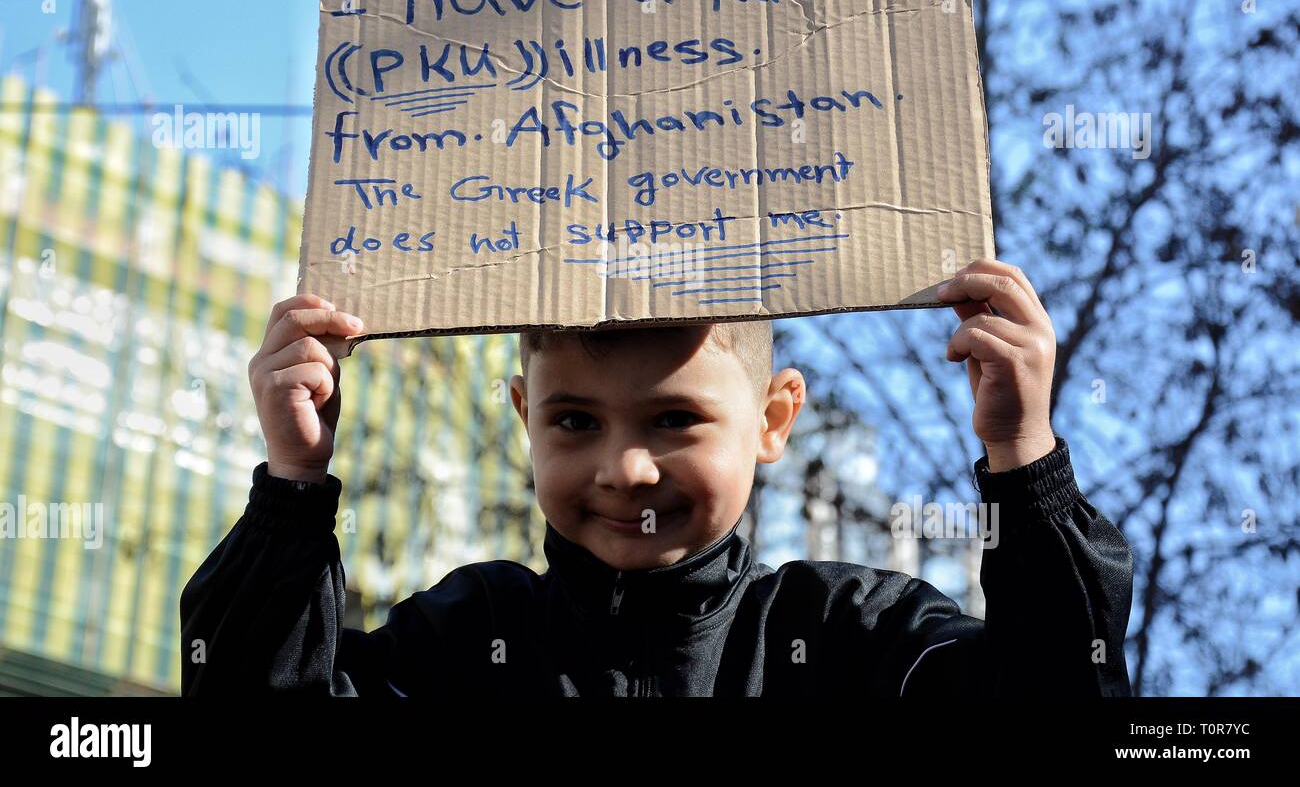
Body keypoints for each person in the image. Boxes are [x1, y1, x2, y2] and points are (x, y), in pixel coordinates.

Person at [180, 258, 1133, 695]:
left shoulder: (858, 640)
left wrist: (1023, 461)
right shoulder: (463, 640)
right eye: (574, 421)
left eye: (675, 419)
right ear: (523, 417)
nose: (626, 468)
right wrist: (295, 489)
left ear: (773, 421)